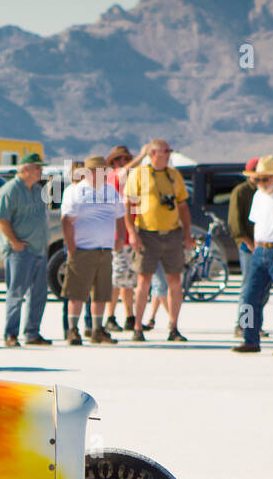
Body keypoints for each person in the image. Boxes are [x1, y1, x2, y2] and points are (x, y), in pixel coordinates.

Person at [124, 139, 192, 342]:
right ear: (153, 153)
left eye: (170, 150)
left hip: (172, 234)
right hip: (147, 233)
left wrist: (187, 234)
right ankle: (137, 326)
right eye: (165, 150)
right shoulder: (139, 173)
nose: (169, 153)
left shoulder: (174, 175)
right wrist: (132, 233)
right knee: (143, 281)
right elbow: (127, 204)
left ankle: (174, 327)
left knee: (175, 280)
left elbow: (182, 206)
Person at [235, 156, 273, 354]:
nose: (260, 183)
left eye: (265, 179)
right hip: (260, 250)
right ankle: (249, 339)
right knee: (249, 297)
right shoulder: (258, 196)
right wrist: (256, 247)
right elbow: (256, 224)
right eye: (258, 179)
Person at [61, 156, 125, 344]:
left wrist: (120, 238)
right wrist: (71, 245)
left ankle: (97, 330)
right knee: (76, 292)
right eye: (98, 171)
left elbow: (120, 216)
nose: (103, 174)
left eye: (104, 171)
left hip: (104, 250)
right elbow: (66, 220)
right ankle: (73, 330)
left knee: (101, 293)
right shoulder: (75, 191)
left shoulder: (110, 191)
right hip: (83, 249)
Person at [0, 152, 51, 346]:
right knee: (16, 292)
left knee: (39, 293)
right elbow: (2, 219)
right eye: (37, 168)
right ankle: (10, 334)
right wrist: (14, 242)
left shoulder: (37, 190)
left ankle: (32, 333)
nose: (40, 171)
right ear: (25, 169)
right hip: (19, 251)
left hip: (38, 249)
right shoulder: (9, 190)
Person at [103, 145, 137, 331]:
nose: (124, 163)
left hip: (129, 235)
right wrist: (143, 155)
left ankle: (130, 315)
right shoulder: (114, 176)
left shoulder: (129, 181)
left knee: (129, 278)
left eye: (126, 158)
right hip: (117, 235)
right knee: (116, 279)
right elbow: (124, 172)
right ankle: (110, 316)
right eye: (121, 159)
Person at [228, 158, 261, 338]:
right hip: (248, 245)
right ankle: (243, 324)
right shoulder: (241, 192)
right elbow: (234, 222)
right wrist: (248, 242)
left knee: (261, 288)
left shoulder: (265, 191)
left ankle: (256, 324)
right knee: (249, 287)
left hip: (263, 245)